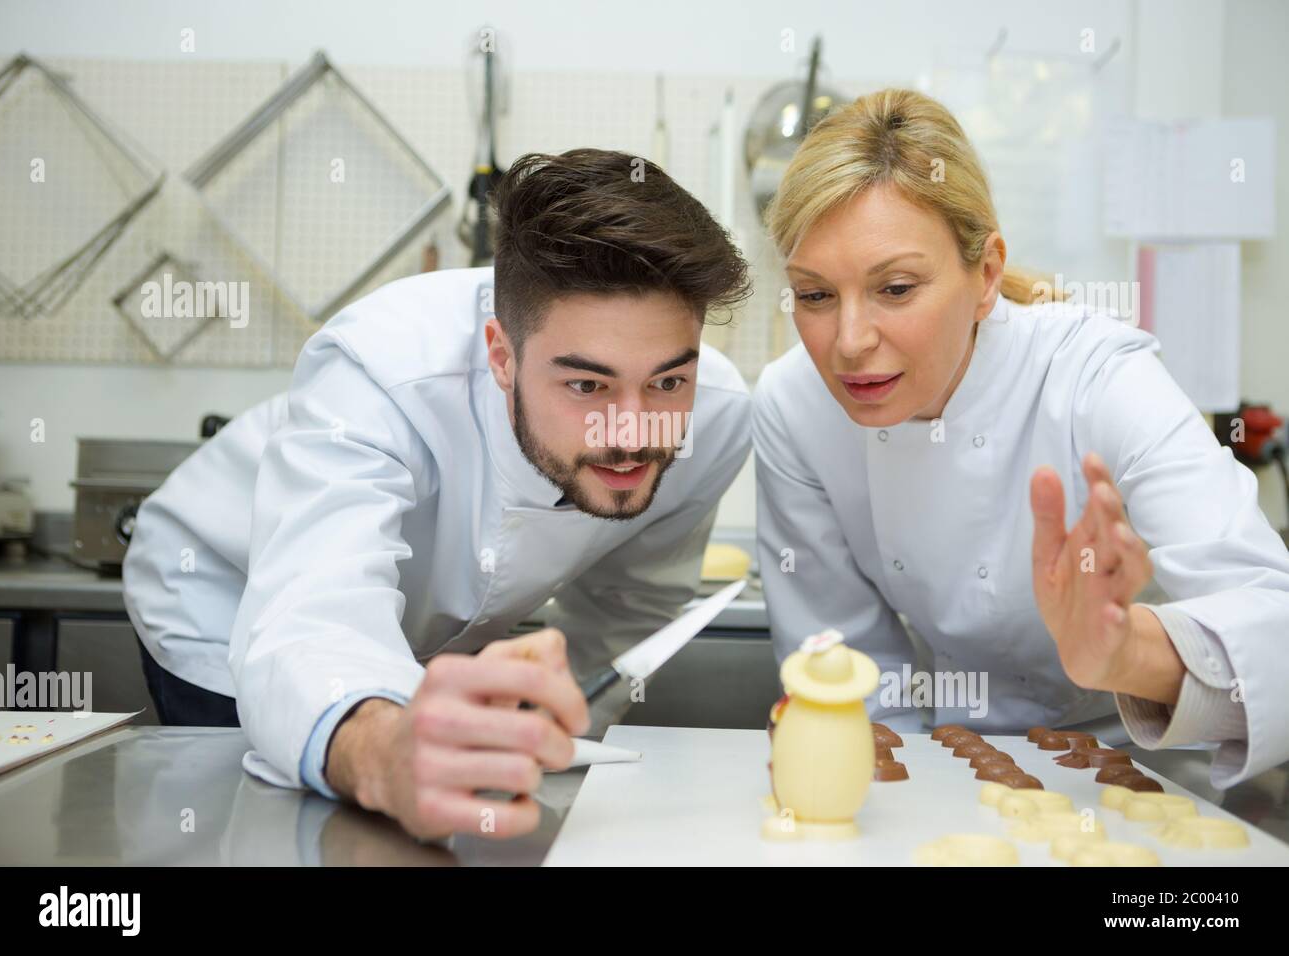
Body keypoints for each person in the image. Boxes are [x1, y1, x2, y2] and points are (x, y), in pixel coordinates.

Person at [122, 148, 753, 838]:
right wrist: (382, 752)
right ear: (501, 355)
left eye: (667, 382)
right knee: (276, 832)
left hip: (423, 642)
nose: (632, 433)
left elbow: (630, 603)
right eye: (586, 385)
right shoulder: (380, 371)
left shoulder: (717, 418)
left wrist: (537, 728)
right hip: (224, 599)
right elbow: (311, 620)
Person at [753, 89, 1289, 788]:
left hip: (1151, 768)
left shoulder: (1097, 376)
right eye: (816, 295)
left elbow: (1271, 622)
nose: (849, 343)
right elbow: (850, 675)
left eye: (897, 288)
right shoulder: (794, 406)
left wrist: (1126, 653)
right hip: (949, 772)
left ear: (986, 274)